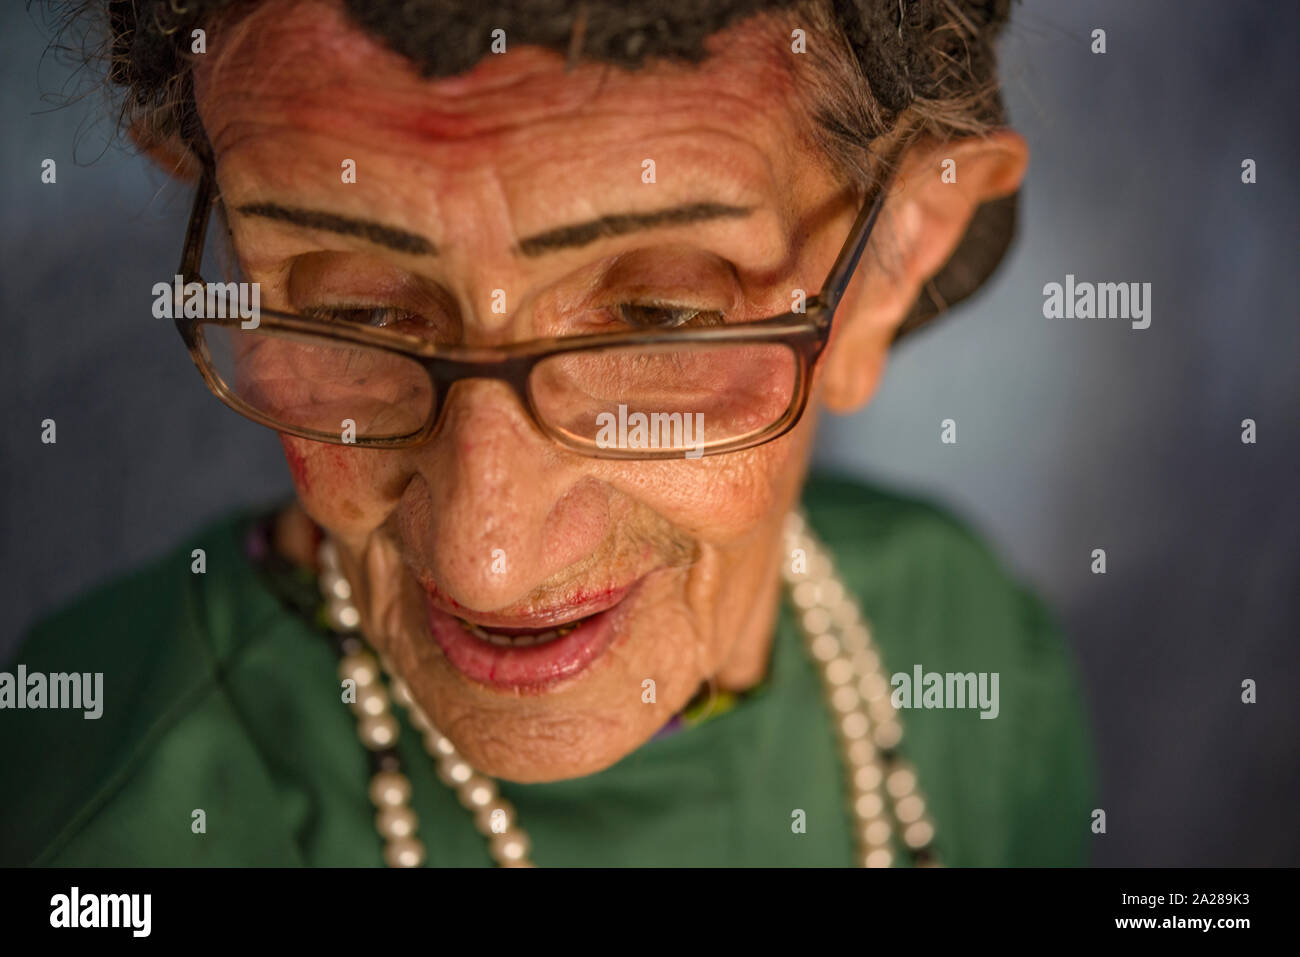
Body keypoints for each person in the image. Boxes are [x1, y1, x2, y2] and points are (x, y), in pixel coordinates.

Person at [0, 0, 1093, 866]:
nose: (487, 553)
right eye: (355, 309)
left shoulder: (967, 646)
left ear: (892, 260)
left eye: (659, 314)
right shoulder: (100, 811)